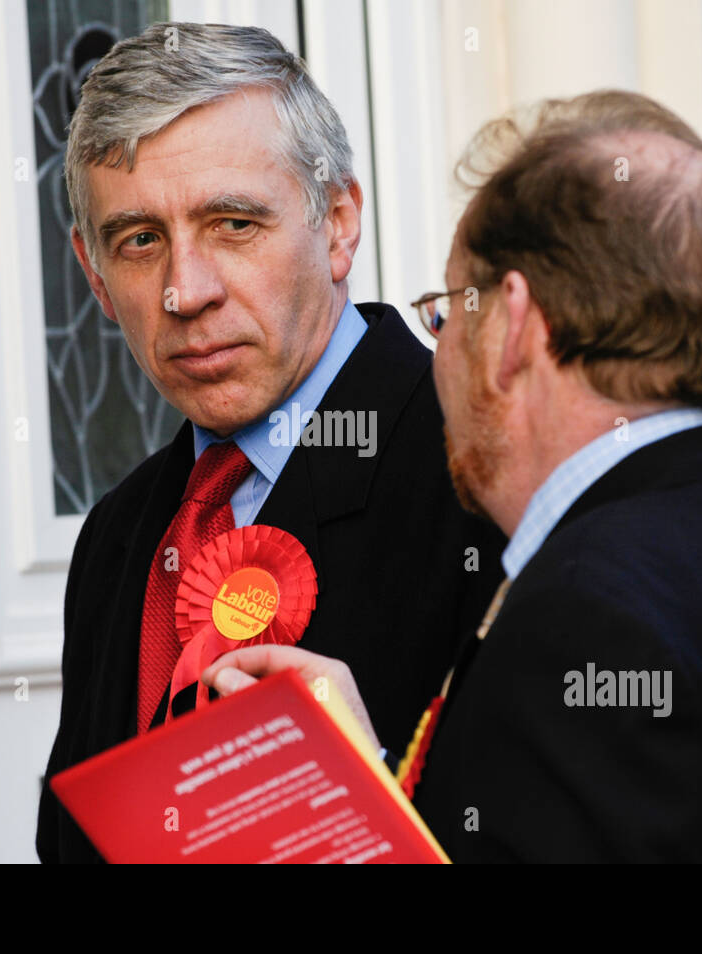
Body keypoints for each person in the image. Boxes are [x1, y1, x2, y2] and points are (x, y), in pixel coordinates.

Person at [204, 90, 702, 862]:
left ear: (512, 323)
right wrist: (375, 785)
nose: (440, 353)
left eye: (449, 311)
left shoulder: (583, 620)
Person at [35, 23, 505, 863]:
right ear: (93, 275)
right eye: (140, 241)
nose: (186, 291)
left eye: (233, 224)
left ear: (338, 223)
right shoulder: (115, 534)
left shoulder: (480, 470)